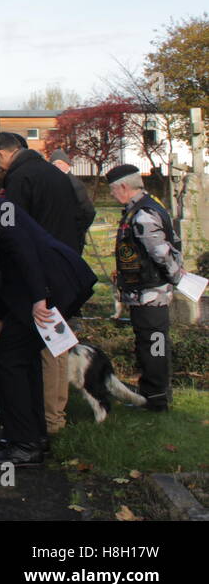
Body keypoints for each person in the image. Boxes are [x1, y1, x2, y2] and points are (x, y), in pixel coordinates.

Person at [0, 131, 83, 438]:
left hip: (39, 275)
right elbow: (84, 214)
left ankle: (47, 420)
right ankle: (51, 415)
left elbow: (14, 232)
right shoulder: (54, 173)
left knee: (40, 349)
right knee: (54, 345)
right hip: (64, 265)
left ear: (0, 155)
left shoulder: (20, 178)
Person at [107, 164, 184, 413]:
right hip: (143, 293)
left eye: (112, 190)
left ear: (123, 187)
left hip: (151, 295)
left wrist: (176, 279)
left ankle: (157, 398)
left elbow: (161, 252)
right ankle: (153, 393)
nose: (110, 195)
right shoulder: (140, 209)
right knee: (148, 345)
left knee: (154, 346)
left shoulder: (142, 215)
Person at [51, 149, 96, 254]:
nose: (57, 166)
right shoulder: (52, 182)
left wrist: (77, 230)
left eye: (60, 163)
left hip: (72, 237)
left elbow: (88, 212)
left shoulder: (75, 184)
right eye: (54, 164)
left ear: (67, 164)